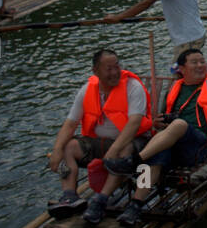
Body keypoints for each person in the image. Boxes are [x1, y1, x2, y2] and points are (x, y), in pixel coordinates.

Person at [95, 48, 207, 226]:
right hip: (173, 144)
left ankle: (134, 161)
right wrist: (158, 123)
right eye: (194, 62)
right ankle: (133, 205)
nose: (200, 65)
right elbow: (163, 118)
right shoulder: (176, 88)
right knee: (154, 160)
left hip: (198, 148)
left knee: (178, 125)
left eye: (202, 61)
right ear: (182, 68)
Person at [47, 49, 152, 217]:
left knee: (122, 151)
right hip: (99, 142)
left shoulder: (133, 87)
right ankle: (69, 196)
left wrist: (111, 153)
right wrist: (57, 150)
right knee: (68, 146)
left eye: (116, 66)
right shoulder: (88, 89)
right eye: (108, 69)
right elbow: (70, 123)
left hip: (131, 142)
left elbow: (133, 125)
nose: (114, 72)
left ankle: (100, 200)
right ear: (95, 71)